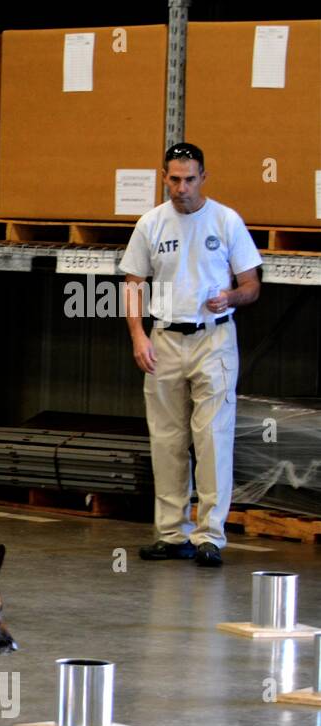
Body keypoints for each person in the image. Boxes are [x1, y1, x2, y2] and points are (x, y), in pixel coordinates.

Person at [121, 142, 261, 569]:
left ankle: (209, 537)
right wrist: (138, 336)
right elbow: (132, 283)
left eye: (189, 179)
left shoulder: (226, 220)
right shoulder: (151, 224)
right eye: (174, 179)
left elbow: (252, 285)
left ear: (204, 177)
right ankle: (170, 533)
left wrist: (231, 296)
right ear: (164, 177)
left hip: (214, 340)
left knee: (213, 437)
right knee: (167, 440)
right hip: (164, 339)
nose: (181, 188)